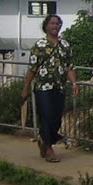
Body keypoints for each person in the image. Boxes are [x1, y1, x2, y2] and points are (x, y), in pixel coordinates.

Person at [24, 13, 78, 162]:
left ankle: (44, 140)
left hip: (59, 86)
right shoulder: (39, 46)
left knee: (56, 118)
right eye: (52, 23)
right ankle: (48, 148)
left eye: (57, 23)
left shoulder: (65, 45)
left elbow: (70, 67)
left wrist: (74, 83)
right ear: (46, 26)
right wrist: (26, 87)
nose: (55, 26)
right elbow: (32, 68)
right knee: (46, 116)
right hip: (43, 87)